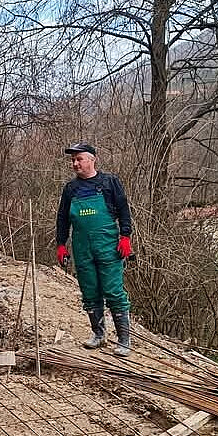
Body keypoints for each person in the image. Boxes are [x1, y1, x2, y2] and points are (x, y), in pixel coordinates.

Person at [55, 143, 134, 357]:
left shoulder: (109, 182)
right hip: (82, 248)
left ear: (92, 159)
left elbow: (124, 210)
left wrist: (125, 236)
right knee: (90, 292)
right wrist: (61, 244)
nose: (75, 163)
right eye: (73, 160)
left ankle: (124, 340)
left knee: (113, 291)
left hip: (107, 245)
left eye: (79, 159)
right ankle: (98, 335)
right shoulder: (71, 189)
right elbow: (62, 218)